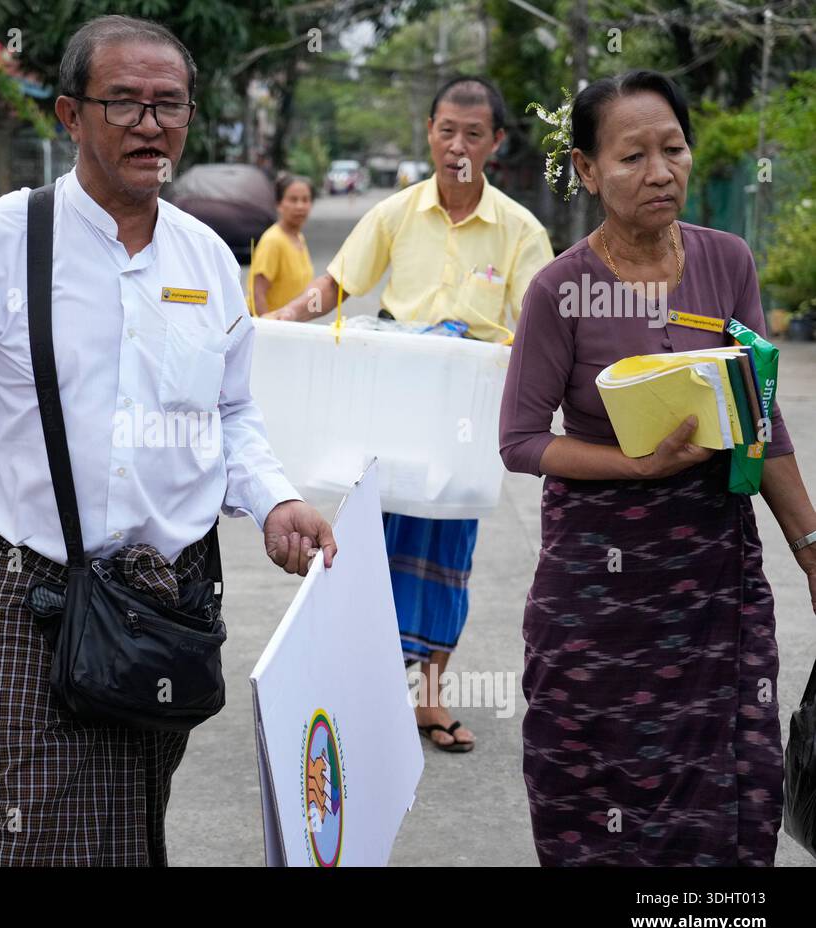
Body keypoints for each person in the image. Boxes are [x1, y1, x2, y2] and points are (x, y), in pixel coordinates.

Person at [0, 14, 337, 867]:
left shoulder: (206, 261)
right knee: (29, 827)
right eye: (123, 102)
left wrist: (275, 501)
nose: (150, 124)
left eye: (170, 104)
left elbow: (230, 416)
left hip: (171, 603)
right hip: (30, 593)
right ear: (68, 115)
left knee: (133, 822)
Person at [500, 69, 816, 866]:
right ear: (585, 169)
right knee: (591, 773)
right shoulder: (560, 290)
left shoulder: (727, 262)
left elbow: (761, 414)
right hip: (598, 587)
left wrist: (811, 547)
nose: (660, 172)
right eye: (632, 156)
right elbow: (521, 441)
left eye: (672, 149)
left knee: (730, 773)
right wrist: (636, 467)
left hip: (713, 576)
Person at [268, 77, 554, 752]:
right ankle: (350, 696)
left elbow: (542, 325)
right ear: (429, 130)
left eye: (474, 134)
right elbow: (338, 285)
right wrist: (275, 321)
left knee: (446, 558)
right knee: (367, 546)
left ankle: (429, 702)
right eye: (447, 130)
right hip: (390, 408)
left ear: (497, 143)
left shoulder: (520, 230)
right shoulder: (396, 213)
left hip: (462, 421)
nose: (458, 146)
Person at [248, 173, 315, 315]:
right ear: (279, 204)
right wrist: (269, 329)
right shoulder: (273, 241)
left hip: (291, 328)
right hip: (274, 330)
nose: (300, 206)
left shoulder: (298, 237)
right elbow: (257, 294)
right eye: (293, 199)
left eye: (305, 200)